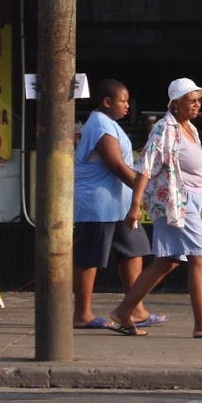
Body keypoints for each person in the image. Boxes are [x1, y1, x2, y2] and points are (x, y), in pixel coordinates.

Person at [104, 77, 202, 339]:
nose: (197, 104)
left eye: (198, 100)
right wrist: (135, 204)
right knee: (199, 257)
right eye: (191, 100)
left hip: (189, 197)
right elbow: (146, 166)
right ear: (175, 104)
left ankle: (123, 311)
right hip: (176, 201)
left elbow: (187, 158)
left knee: (167, 262)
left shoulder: (188, 128)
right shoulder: (165, 128)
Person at [72, 78, 160, 330]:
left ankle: (136, 309)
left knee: (134, 251)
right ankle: (82, 314)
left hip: (120, 205)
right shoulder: (100, 124)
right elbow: (117, 166)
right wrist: (145, 189)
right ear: (107, 101)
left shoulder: (110, 124)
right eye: (122, 101)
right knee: (89, 258)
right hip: (98, 205)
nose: (127, 107)